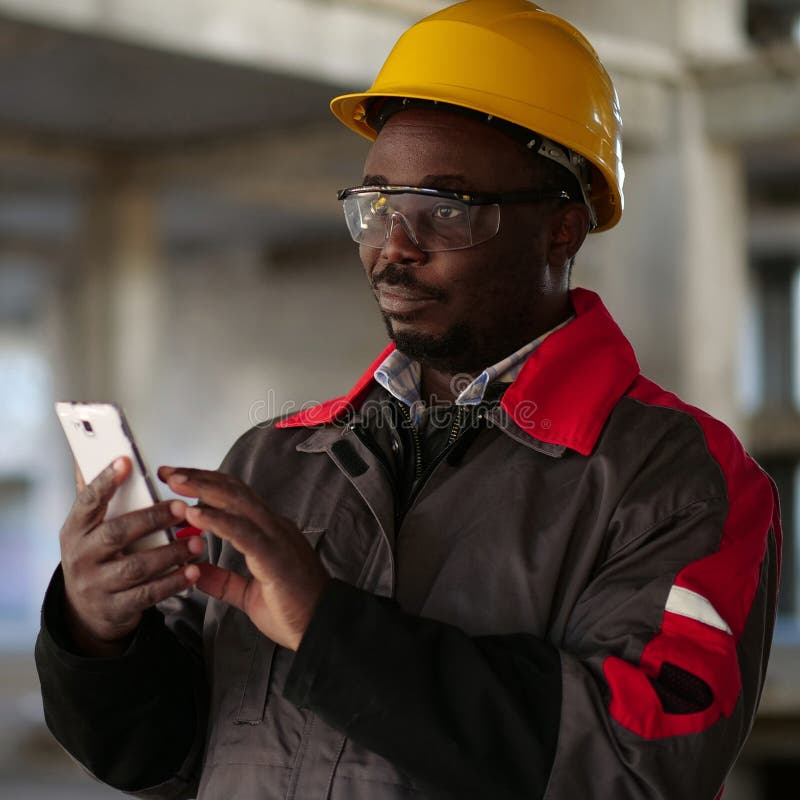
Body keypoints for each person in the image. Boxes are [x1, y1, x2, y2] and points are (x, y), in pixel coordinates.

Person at [36, 1, 781, 798]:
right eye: (377, 206)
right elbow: (165, 759)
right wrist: (97, 633)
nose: (394, 246)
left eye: (445, 211)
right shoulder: (277, 459)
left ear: (563, 230)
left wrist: (330, 631)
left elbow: (638, 765)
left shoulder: (681, 478)